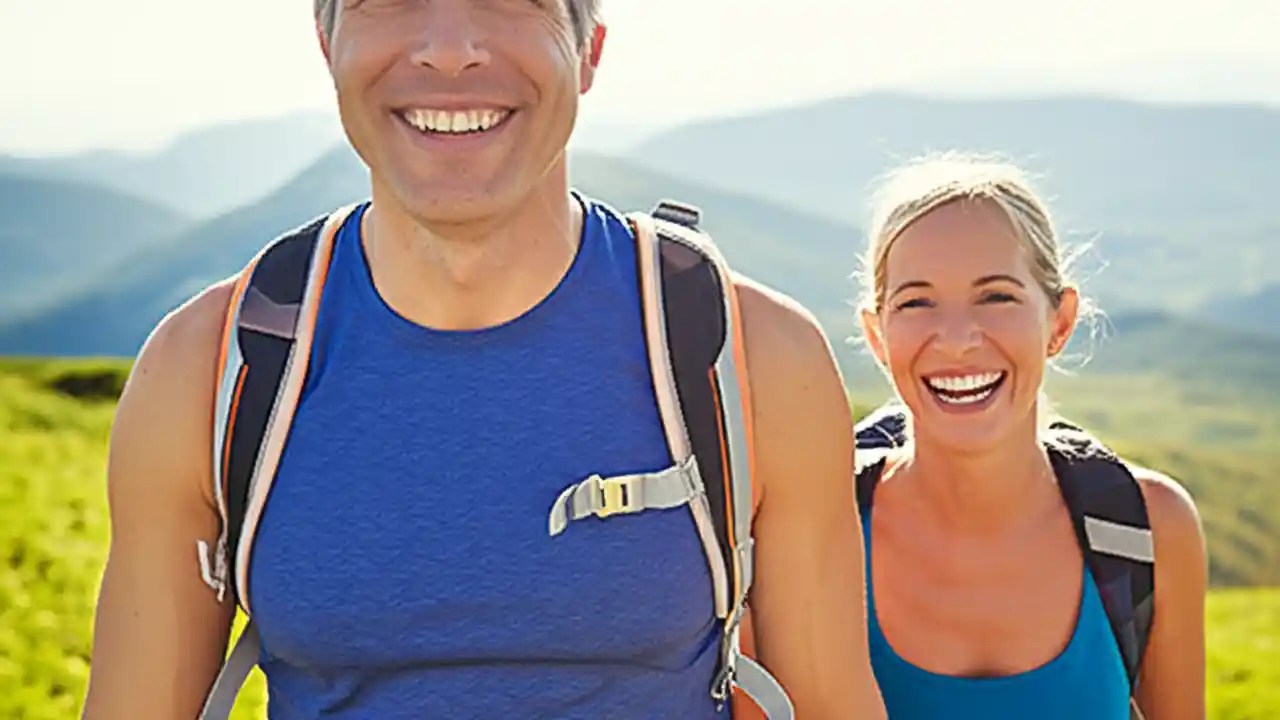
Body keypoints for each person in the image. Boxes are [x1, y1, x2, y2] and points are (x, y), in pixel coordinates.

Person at [80, 1, 887, 718]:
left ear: (589, 50)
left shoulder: (751, 357)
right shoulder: (207, 370)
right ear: (328, 47)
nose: (449, 48)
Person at [849, 153, 1208, 719]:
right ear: (877, 336)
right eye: (916, 302)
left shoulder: (1147, 530)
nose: (957, 339)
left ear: (1059, 323)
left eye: (997, 297)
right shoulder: (818, 534)